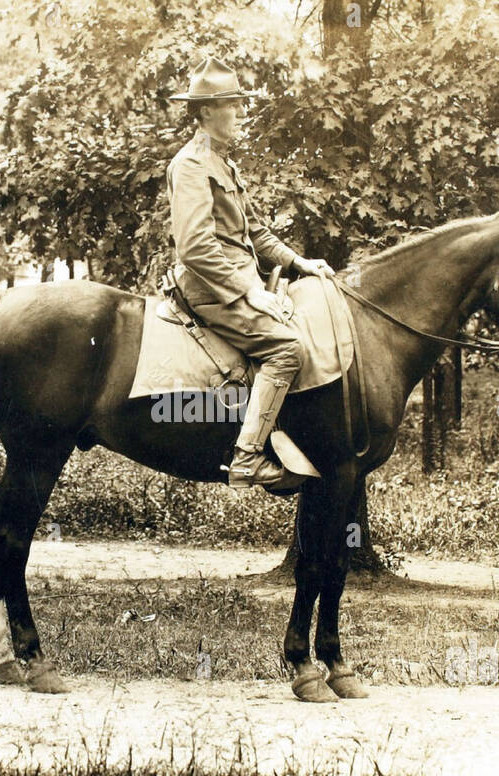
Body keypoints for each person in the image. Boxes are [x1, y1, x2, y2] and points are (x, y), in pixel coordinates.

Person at [166, 56, 335, 489]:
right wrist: (250, 292)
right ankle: (246, 458)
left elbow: (256, 232)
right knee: (288, 349)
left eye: (240, 103)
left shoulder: (224, 165)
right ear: (205, 111)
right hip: (210, 290)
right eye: (232, 104)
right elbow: (195, 248)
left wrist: (299, 262)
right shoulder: (190, 165)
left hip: (238, 285)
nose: (241, 112)